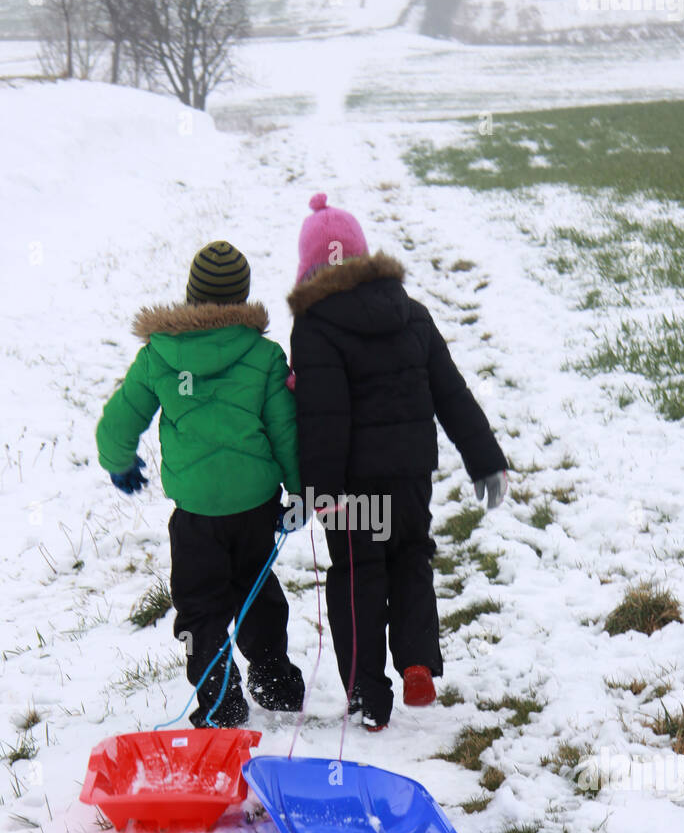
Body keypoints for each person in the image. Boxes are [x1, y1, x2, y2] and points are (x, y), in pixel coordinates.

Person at [288, 194, 508, 731]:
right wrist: (485, 459)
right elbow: (451, 392)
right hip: (411, 476)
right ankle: (415, 660)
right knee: (411, 558)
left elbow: (323, 420)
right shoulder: (412, 314)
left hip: (352, 490)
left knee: (358, 574)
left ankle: (367, 692)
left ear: (309, 270)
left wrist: (317, 492)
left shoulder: (315, 328)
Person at [96, 240, 305, 728]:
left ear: (192, 297)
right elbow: (286, 431)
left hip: (195, 517)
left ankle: (219, 698)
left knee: (201, 606)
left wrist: (119, 461)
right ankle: (273, 677)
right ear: (243, 298)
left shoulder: (160, 357)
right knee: (257, 589)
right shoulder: (264, 355)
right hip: (256, 507)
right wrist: (300, 491)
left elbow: (118, 423)